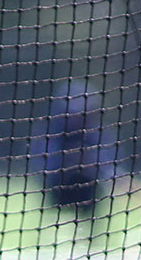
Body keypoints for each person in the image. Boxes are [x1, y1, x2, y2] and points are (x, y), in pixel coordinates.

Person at [31, 80, 115, 221]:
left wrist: (89, 162)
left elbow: (107, 163)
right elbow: (42, 163)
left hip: (87, 190)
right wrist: (68, 161)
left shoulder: (95, 134)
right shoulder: (53, 133)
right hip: (60, 188)